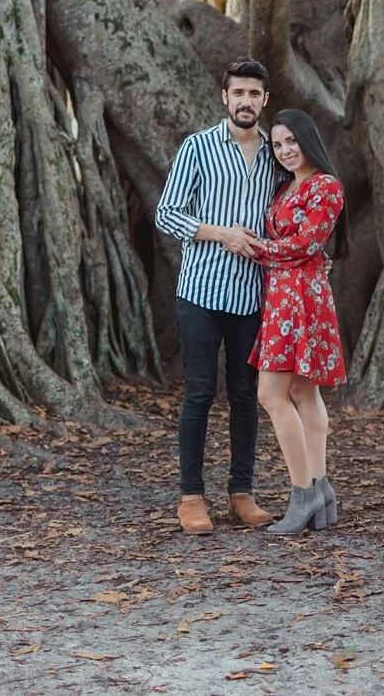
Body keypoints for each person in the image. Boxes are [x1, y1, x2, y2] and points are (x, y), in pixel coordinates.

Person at [155, 58, 280, 535]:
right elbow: (167, 213)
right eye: (238, 93)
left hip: (252, 295)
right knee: (200, 393)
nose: (246, 101)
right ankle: (191, 498)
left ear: (265, 100)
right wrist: (219, 234)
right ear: (224, 98)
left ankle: (241, 493)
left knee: (246, 395)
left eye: (254, 94)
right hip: (202, 290)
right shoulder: (198, 148)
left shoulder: (277, 152)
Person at [249, 109, 349, 535]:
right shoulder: (285, 187)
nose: (286, 150)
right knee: (301, 392)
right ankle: (321, 489)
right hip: (284, 292)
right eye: (278, 144)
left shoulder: (325, 186)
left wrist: (255, 249)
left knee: (272, 395)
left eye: (292, 141)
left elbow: (309, 242)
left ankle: (302, 492)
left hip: (300, 297)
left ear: (308, 139)